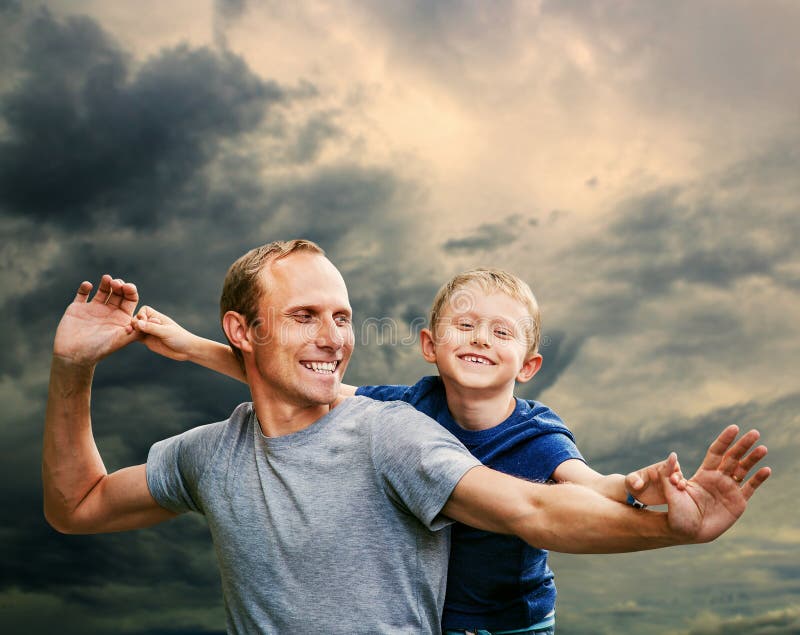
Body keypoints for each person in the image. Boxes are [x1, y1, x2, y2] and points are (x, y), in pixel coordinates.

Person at [44, 239, 771, 635]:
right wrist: (75, 367)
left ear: (529, 362)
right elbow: (76, 505)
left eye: (343, 317)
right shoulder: (211, 453)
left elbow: (538, 507)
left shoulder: (395, 434)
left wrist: (663, 522)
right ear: (243, 329)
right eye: (305, 316)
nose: (335, 339)